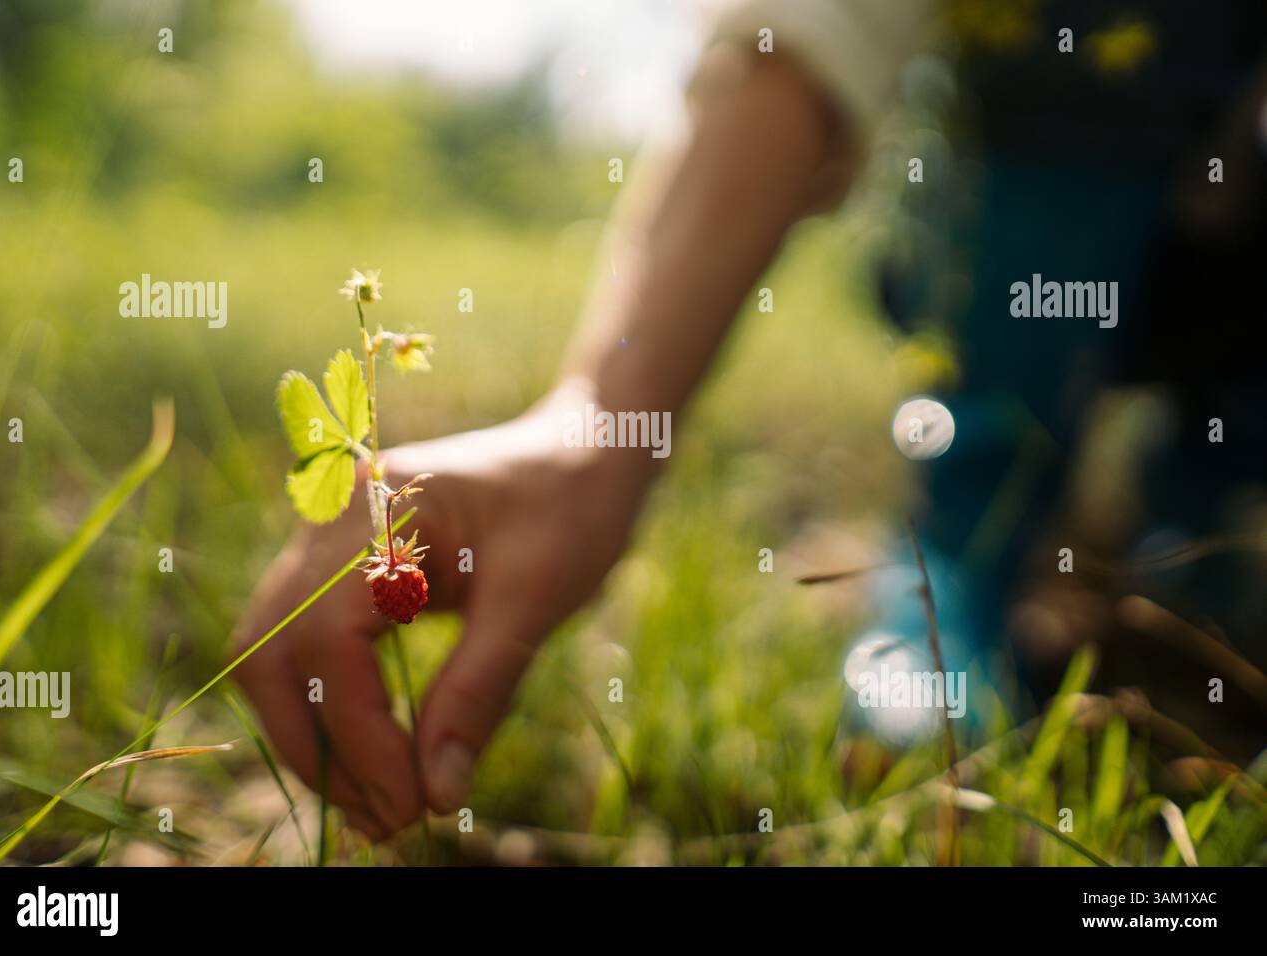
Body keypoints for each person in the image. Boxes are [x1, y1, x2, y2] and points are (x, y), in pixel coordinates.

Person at [233, 1, 1267, 839]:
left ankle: (1202, 535)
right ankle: (962, 549)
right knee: (1087, 42)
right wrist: (598, 421)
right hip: (1057, 158)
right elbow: (817, 26)